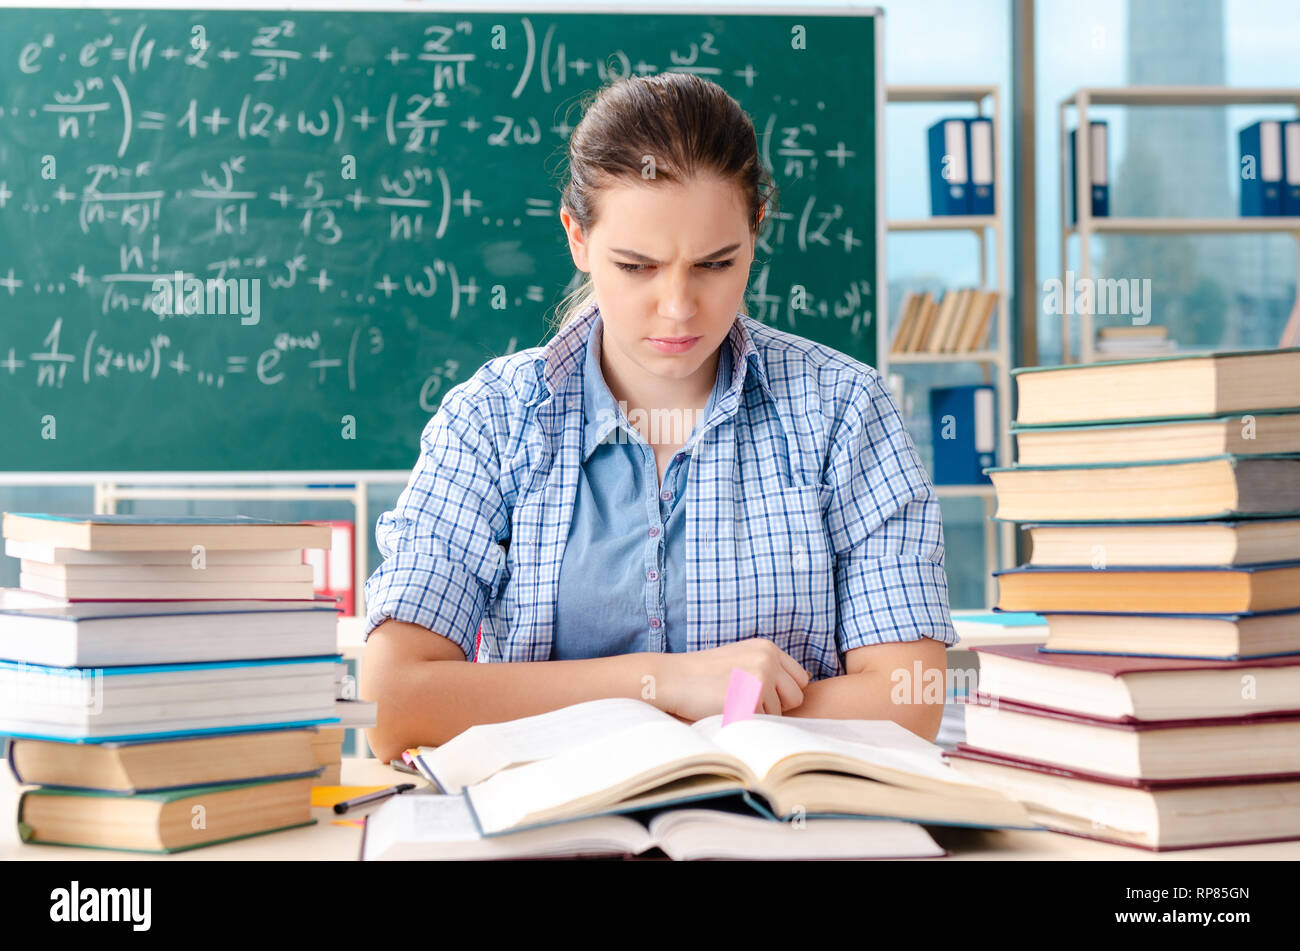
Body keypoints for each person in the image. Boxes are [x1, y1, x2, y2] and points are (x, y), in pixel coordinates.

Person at [361, 73, 956, 762]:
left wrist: (671, 718)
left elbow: (907, 702)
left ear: (757, 228)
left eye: (714, 263)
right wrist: (668, 683)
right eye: (637, 266)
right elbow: (394, 702)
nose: (678, 308)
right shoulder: (490, 420)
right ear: (577, 237)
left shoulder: (846, 412)